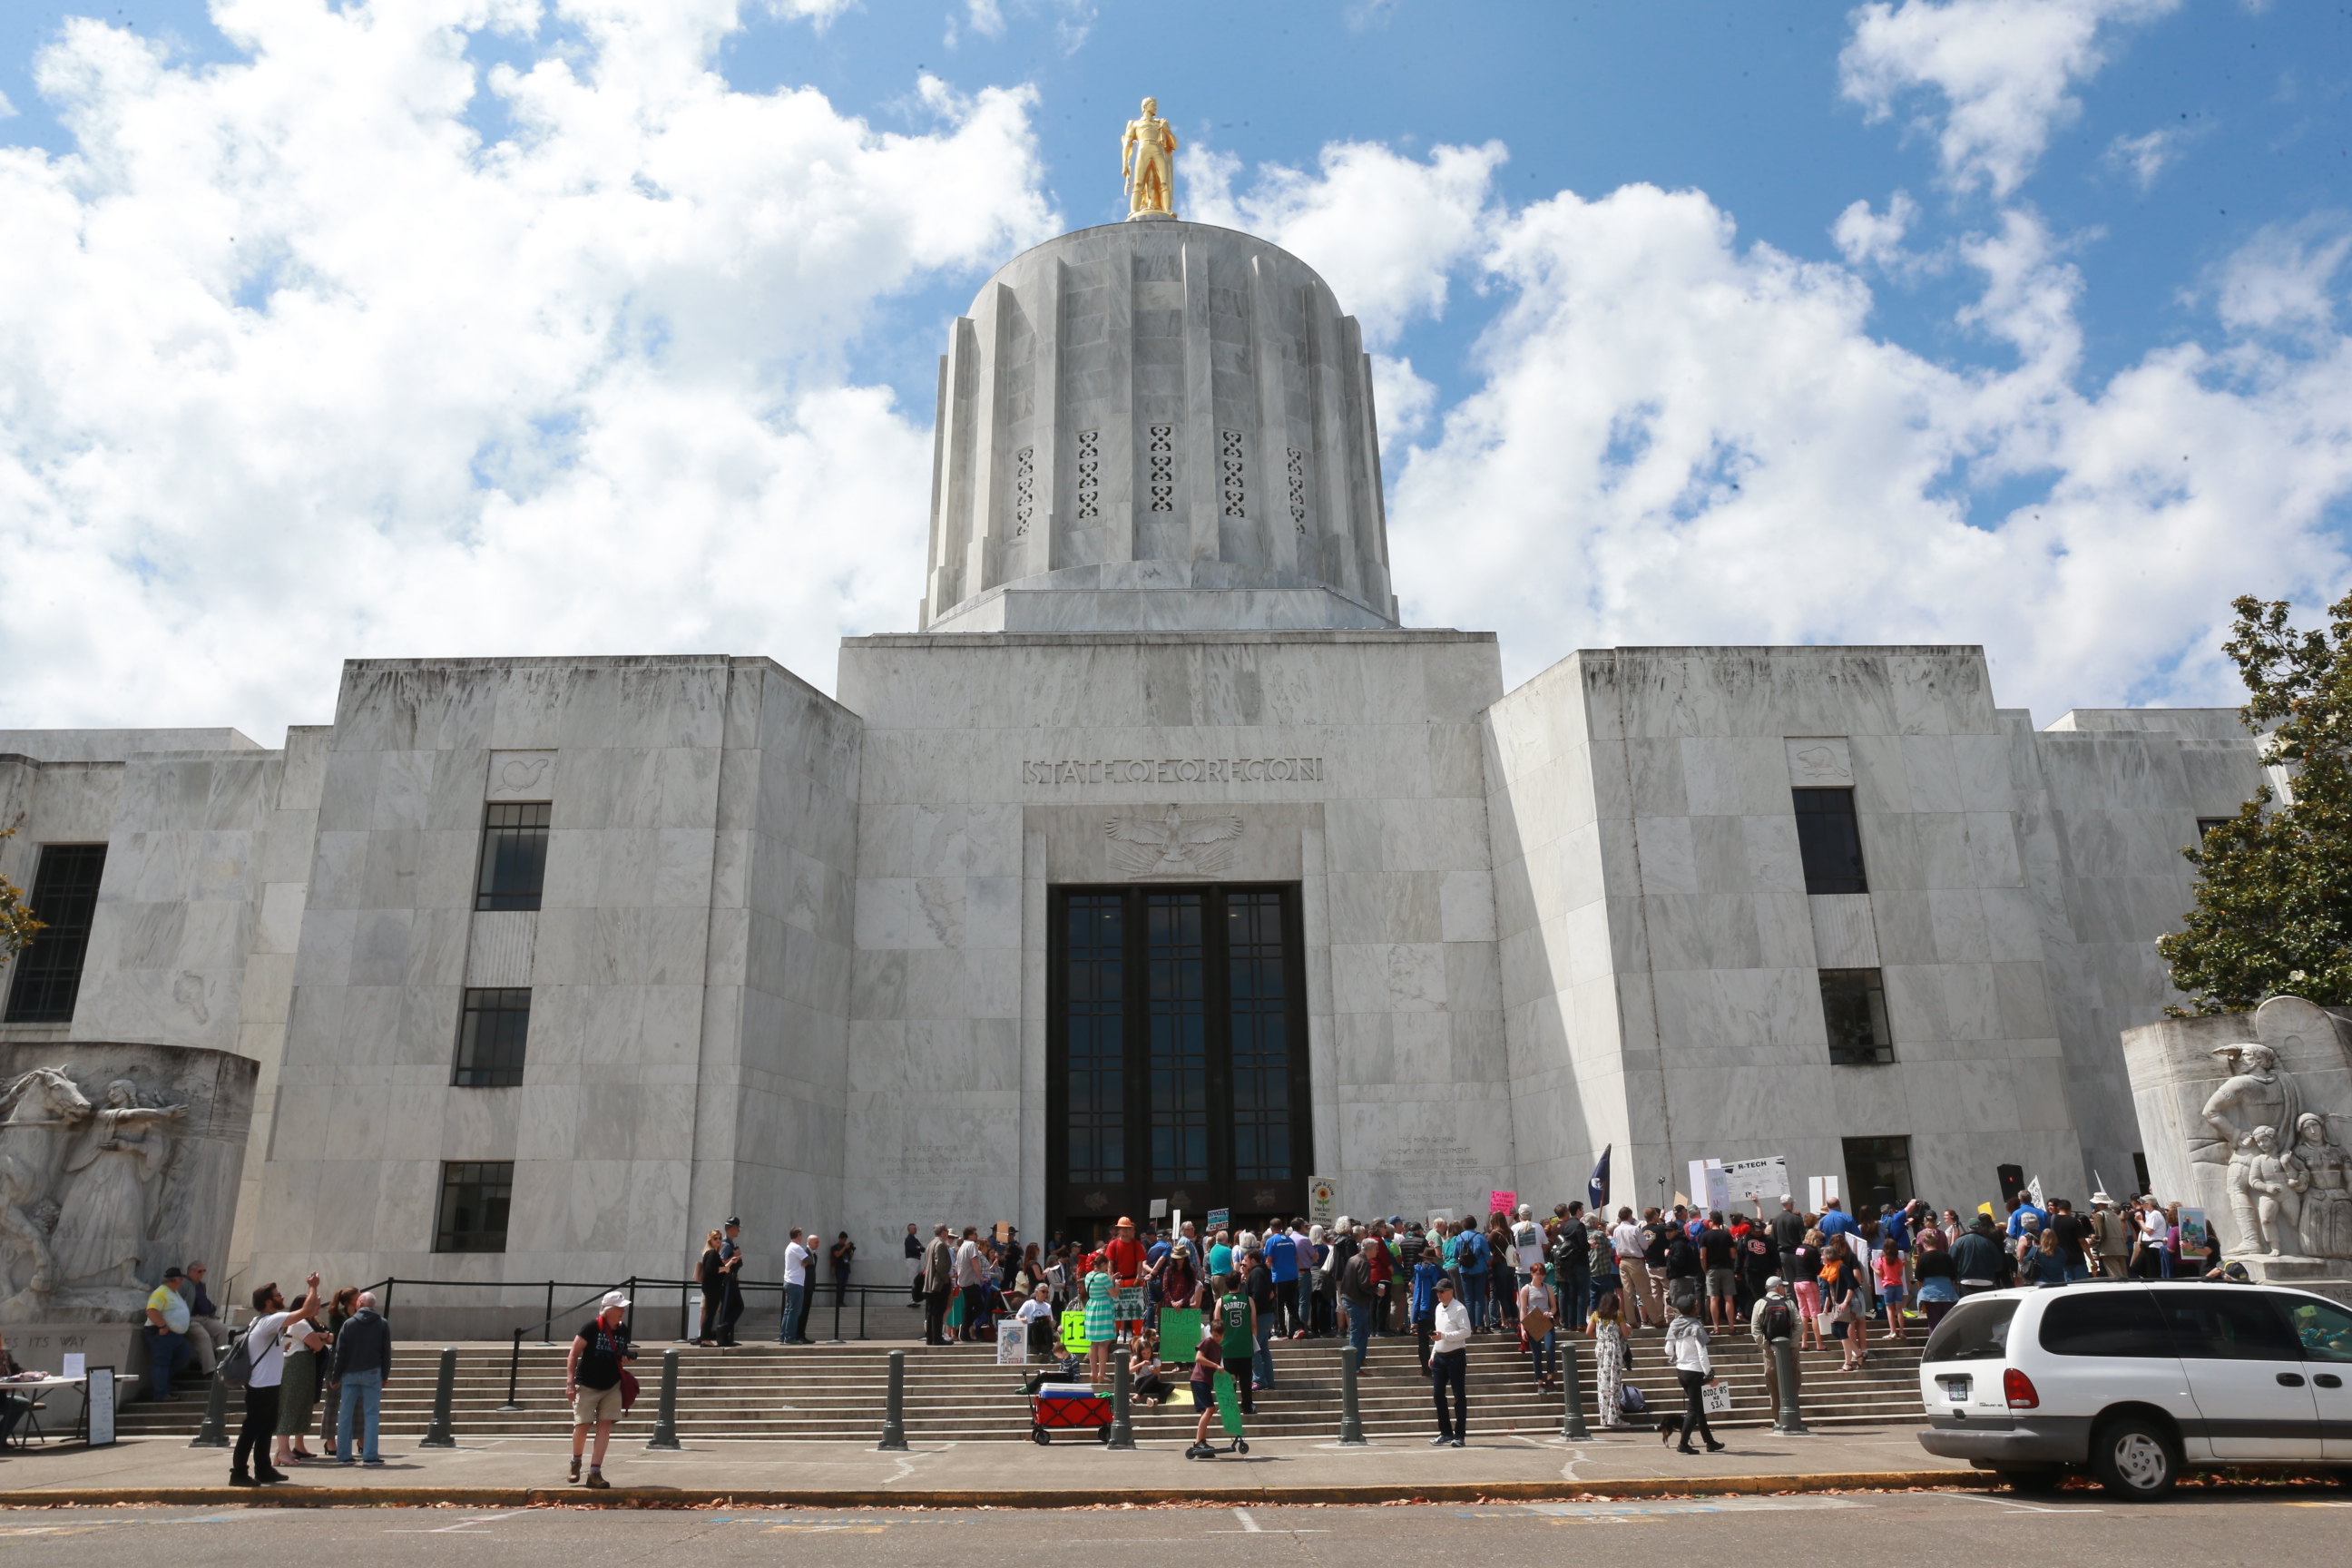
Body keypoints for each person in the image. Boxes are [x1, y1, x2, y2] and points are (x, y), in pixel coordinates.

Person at [230, 1272, 320, 1487]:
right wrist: (313, 1287)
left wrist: (280, 1352)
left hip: (268, 1385)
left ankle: (263, 1470)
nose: (283, 1297)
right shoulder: (270, 1320)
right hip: (261, 1386)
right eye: (278, 1295)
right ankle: (239, 1473)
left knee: (265, 1428)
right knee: (251, 1430)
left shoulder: (260, 1322)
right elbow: (307, 1311)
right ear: (269, 1302)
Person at [566, 1290, 636, 1489]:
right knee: (583, 1426)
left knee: (605, 1426)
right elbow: (573, 1355)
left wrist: (626, 1357)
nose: (623, 1311)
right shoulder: (591, 1327)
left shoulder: (622, 1330)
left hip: (612, 1384)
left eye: (623, 1308)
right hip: (587, 1384)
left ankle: (595, 1473)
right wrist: (570, 1384)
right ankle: (576, 1461)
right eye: (619, 1308)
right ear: (609, 1310)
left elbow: (618, 1354)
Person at [328, 1289, 391, 1465]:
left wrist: (335, 1376)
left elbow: (341, 1353)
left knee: (345, 1414)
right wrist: (384, 1374)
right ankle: (370, 1456)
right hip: (372, 1372)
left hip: (350, 1373)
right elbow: (386, 1353)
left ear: (360, 1304)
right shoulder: (382, 1323)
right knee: (371, 1414)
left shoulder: (349, 1324)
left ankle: (343, 1455)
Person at [1663, 1302, 1725, 1454]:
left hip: (1681, 1370)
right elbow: (1702, 1353)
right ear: (1693, 1310)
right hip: (1695, 1371)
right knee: (1693, 1409)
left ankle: (1710, 1442)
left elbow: (1668, 1350)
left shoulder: (1674, 1325)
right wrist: (1710, 1375)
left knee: (1699, 1408)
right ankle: (1683, 1443)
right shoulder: (1696, 1326)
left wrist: (1681, 1356)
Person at [275, 1299, 329, 1467]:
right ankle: (282, 1451)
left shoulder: (302, 1323)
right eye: (315, 1304)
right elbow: (318, 1346)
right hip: (297, 1368)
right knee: (290, 1406)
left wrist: (320, 1337)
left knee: (300, 1406)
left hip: (304, 1367)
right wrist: (322, 1338)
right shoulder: (300, 1323)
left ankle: (287, 1450)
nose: (319, 1307)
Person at [1427, 1274, 1471, 1446]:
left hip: (1456, 1357)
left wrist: (1444, 1336)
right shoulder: (1439, 1308)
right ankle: (1445, 1432)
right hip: (1440, 1357)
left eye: (1442, 1291)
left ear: (1451, 1292)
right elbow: (1438, 1332)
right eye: (1437, 1292)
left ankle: (1460, 1436)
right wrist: (1433, 1354)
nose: (1439, 1294)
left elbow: (1466, 1332)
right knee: (1438, 1395)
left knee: (1459, 1396)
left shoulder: (1459, 1309)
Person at [1749, 1276, 1801, 1416]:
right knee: (1794, 1380)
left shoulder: (1760, 1303)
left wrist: (1766, 1346)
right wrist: (1791, 1344)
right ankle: (1794, 1413)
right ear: (1777, 1287)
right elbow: (1799, 1325)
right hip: (1790, 1350)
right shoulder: (1789, 1303)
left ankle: (1777, 1417)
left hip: (1770, 1351)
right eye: (1783, 1286)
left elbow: (1755, 1329)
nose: (1784, 1289)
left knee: (1773, 1384)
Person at [316, 1287, 358, 1456]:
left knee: (358, 1402)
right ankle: (329, 1440)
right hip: (339, 1359)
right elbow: (339, 1337)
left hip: (356, 1360)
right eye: (358, 1297)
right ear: (349, 1302)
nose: (361, 1299)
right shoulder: (338, 1315)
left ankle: (360, 1438)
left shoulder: (362, 1313)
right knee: (333, 1401)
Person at [142, 1266, 194, 1401]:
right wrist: (163, 1325)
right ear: (174, 1280)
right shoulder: (160, 1293)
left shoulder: (173, 1292)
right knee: (162, 1362)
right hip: (161, 1333)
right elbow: (151, 1310)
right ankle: (160, 1393)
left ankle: (164, 1383)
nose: (182, 1281)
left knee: (184, 1354)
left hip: (174, 1335)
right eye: (180, 1279)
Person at [1184, 1318, 1229, 1459]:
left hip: (1206, 1382)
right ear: (1211, 1333)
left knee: (1205, 1411)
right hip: (1199, 1380)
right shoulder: (1207, 1342)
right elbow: (1198, 1358)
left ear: (1223, 1335)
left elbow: (1216, 1367)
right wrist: (1216, 1366)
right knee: (1210, 1409)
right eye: (1214, 1335)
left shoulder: (1219, 1347)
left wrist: (1226, 1375)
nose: (1216, 1338)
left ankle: (1202, 1442)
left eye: (1219, 1336)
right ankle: (1198, 1442)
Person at [1591, 1290, 1630, 1429]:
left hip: (1601, 1348)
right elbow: (1625, 1333)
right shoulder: (1618, 1315)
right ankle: (1614, 1417)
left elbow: (1588, 1332)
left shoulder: (1596, 1315)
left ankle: (1604, 1417)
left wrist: (1600, 1340)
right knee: (1614, 1382)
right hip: (1614, 1350)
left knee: (1603, 1383)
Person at [1519, 1260, 1559, 1394]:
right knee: (1537, 1354)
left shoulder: (1547, 1288)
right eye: (1538, 1274)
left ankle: (1549, 1379)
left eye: (1542, 1274)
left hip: (1546, 1321)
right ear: (1532, 1274)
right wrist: (1523, 1328)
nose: (1540, 1276)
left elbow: (1553, 1306)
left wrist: (1551, 1313)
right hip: (1533, 1321)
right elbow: (1523, 1309)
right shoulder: (1526, 1289)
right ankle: (1539, 1382)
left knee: (1550, 1349)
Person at [181, 1260, 227, 1375]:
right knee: (204, 1337)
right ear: (190, 1272)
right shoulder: (184, 1283)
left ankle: (224, 1363)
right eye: (199, 1271)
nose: (202, 1274)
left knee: (222, 1329)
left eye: (203, 1271)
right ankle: (210, 1370)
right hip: (190, 1320)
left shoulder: (200, 1285)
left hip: (204, 1318)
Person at [1340, 1233, 1377, 1370]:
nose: (1377, 1251)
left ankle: (1359, 1359)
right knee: (1357, 1333)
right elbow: (1363, 1284)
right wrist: (1376, 1290)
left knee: (1362, 1331)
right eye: (1376, 1248)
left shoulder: (1354, 1259)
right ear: (1370, 1248)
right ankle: (1353, 1367)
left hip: (1350, 1299)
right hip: (1356, 1301)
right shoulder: (1364, 1262)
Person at [1952, 1213, 2012, 1296]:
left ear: (1968, 1227)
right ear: (1980, 1228)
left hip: (1966, 1282)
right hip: (1987, 1282)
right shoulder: (1988, 1243)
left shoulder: (1959, 1242)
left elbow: (1952, 1261)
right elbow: (1998, 1265)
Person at [1912, 1230, 1959, 1328]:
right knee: (1947, 1323)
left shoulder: (1923, 1257)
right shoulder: (1946, 1256)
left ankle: (1934, 1343)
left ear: (1924, 1243)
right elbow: (1954, 1274)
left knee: (1934, 1323)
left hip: (1931, 1293)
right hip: (1947, 1293)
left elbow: (1919, 1276)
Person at [1083, 1250, 1117, 1386]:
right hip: (1103, 1308)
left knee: (1093, 1342)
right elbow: (1114, 1294)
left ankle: (1093, 1372)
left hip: (1091, 1307)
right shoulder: (1103, 1277)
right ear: (1103, 1264)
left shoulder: (1088, 1276)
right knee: (1103, 1343)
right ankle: (1102, 1373)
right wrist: (1117, 1284)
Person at [1698, 1212, 1737, 1329]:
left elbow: (1702, 1256)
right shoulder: (1727, 1235)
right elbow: (1733, 1255)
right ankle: (1731, 1326)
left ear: (1712, 1221)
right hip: (1726, 1269)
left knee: (1714, 1298)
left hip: (1712, 1269)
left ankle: (1716, 1327)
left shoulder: (1705, 1236)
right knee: (1728, 1298)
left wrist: (1705, 1270)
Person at [1788, 1228, 1825, 1350]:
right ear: (1815, 1239)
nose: (1820, 1243)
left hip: (1797, 1282)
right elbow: (1818, 1270)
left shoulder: (1800, 1248)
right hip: (1809, 1282)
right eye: (1820, 1240)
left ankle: (1804, 1342)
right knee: (1815, 1314)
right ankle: (1819, 1344)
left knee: (1804, 1313)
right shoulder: (1812, 1251)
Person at [920, 1224, 956, 1346]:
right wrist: (947, 1279)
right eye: (946, 1230)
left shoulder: (931, 1244)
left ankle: (930, 1338)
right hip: (939, 1283)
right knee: (938, 1311)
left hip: (930, 1283)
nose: (947, 1233)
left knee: (931, 1312)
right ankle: (937, 1338)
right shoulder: (940, 1245)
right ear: (943, 1232)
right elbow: (940, 1265)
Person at [715, 1217, 745, 1346]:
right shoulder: (726, 1245)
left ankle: (725, 1333)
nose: (739, 1231)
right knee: (729, 1308)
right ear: (732, 1229)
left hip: (732, 1279)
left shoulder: (730, 1243)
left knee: (737, 1306)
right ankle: (722, 1332)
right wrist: (734, 1257)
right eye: (737, 1228)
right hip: (727, 1282)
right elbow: (721, 1263)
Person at [780, 1227, 814, 1345]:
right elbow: (810, 1260)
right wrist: (805, 1261)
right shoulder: (796, 1247)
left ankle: (783, 1336)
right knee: (794, 1312)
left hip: (789, 1281)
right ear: (798, 1235)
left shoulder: (789, 1247)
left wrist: (805, 1261)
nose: (803, 1236)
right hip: (796, 1283)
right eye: (802, 1234)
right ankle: (790, 1337)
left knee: (788, 1311)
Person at [695, 1229, 726, 1345]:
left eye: (719, 1238)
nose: (718, 1240)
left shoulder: (711, 1253)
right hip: (713, 1287)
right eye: (715, 1238)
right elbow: (710, 1270)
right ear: (710, 1240)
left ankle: (704, 1338)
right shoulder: (712, 1253)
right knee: (710, 1313)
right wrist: (724, 1268)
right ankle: (705, 1339)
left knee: (710, 1313)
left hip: (711, 1287)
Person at [1873, 1237, 1907, 1340]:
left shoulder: (1882, 1259)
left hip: (1888, 1286)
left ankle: (1893, 1332)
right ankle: (1901, 1332)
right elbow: (1900, 1273)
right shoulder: (1898, 1260)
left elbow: (1880, 1273)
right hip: (1899, 1285)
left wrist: (1872, 1267)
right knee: (1899, 1309)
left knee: (1890, 1309)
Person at [1014, 1283, 1056, 1361]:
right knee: (1035, 1325)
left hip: (1043, 1333)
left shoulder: (1047, 1306)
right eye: (1043, 1291)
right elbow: (1017, 1316)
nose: (1045, 1294)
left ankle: (1050, 1352)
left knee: (1047, 1327)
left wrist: (1048, 1320)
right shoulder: (1029, 1304)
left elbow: (1051, 1325)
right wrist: (1021, 1319)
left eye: (1047, 1292)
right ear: (1037, 1292)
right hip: (1032, 1332)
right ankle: (1038, 1351)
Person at [829, 1230, 856, 1308]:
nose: (845, 1242)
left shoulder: (847, 1248)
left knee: (844, 1286)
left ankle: (841, 1301)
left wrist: (851, 1250)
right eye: (844, 1240)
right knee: (839, 1285)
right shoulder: (835, 1247)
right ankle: (838, 1302)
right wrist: (845, 1247)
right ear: (840, 1239)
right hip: (839, 1268)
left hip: (846, 1268)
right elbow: (837, 1255)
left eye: (846, 1240)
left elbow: (850, 1257)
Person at [904, 1222, 926, 1307]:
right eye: (914, 1228)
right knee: (913, 1280)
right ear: (909, 1230)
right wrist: (918, 1247)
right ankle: (910, 1301)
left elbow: (923, 1249)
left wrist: (919, 1247)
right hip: (912, 1260)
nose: (916, 1230)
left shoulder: (915, 1240)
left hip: (917, 1260)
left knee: (919, 1279)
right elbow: (913, 1249)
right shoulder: (908, 1239)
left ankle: (916, 1298)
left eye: (916, 1228)